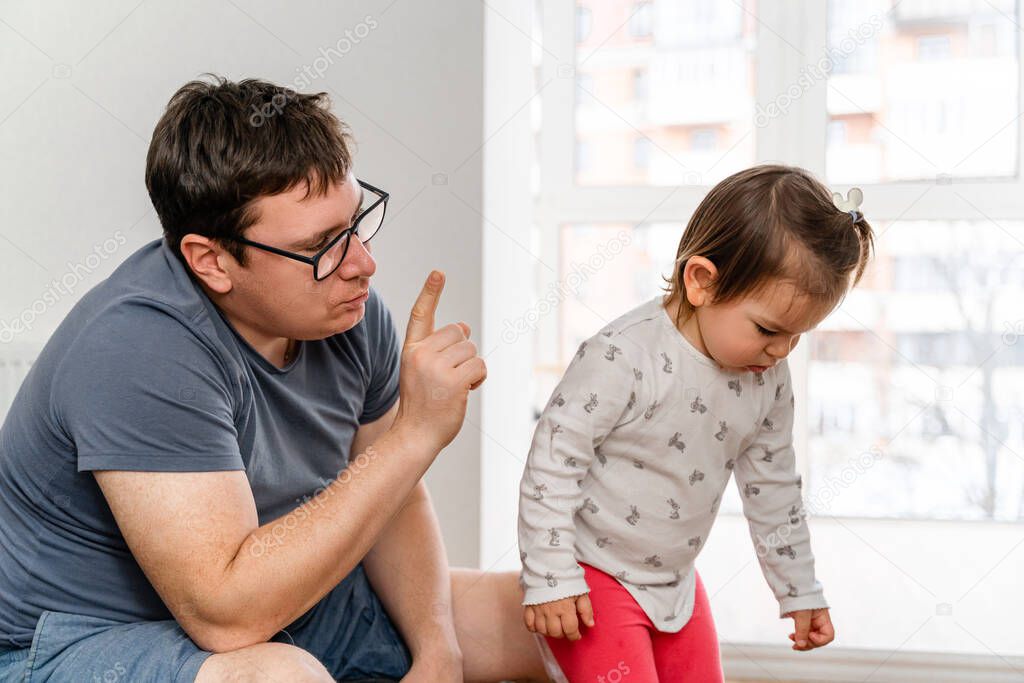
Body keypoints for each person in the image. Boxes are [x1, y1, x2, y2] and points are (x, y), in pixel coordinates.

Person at [0, 76, 547, 682]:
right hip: (77, 641)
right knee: (281, 676)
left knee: (558, 615)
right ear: (211, 261)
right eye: (320, 246)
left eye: (355, 222)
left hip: (281, 596)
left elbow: (390, 497)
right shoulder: (137, 349)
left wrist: (439, 655)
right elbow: (226, 618)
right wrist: (415, 434)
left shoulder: (346, 310)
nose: (363, 264)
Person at [517, 165, 874, 681]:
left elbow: (774, 491)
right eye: (768, 330)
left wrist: (800, 589)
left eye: (798, 336)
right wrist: (550, 577)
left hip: (676, 581)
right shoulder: (622, 356)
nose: (782, 351)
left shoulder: (768, 379)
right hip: (590, 572)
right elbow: (552, 465)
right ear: (702, 281)